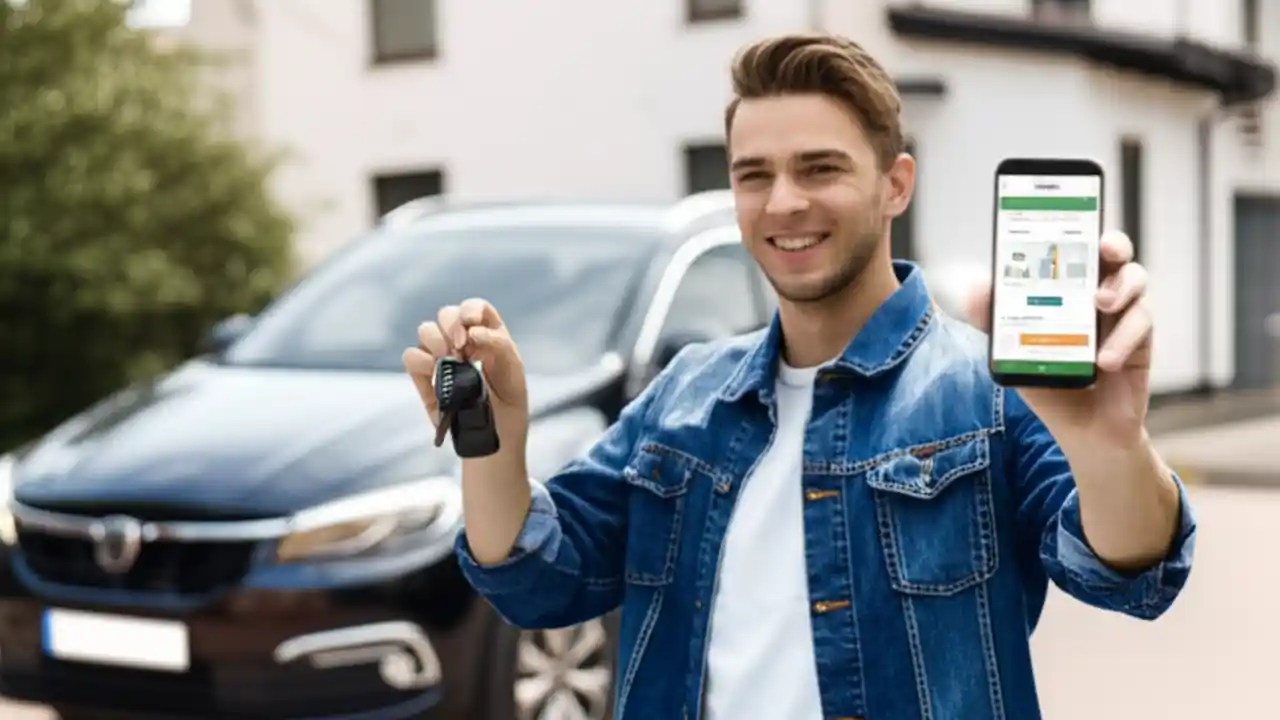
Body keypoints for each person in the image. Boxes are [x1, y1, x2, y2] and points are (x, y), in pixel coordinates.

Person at [403, 32, 1195, 720]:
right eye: (754, 175)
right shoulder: (684, 395)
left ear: (896, 184)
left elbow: (1131, 575)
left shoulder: (990, 393)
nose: (784, 202)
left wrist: (1110, 444)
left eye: (819, 168)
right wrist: (494, 450)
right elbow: (541, 577)